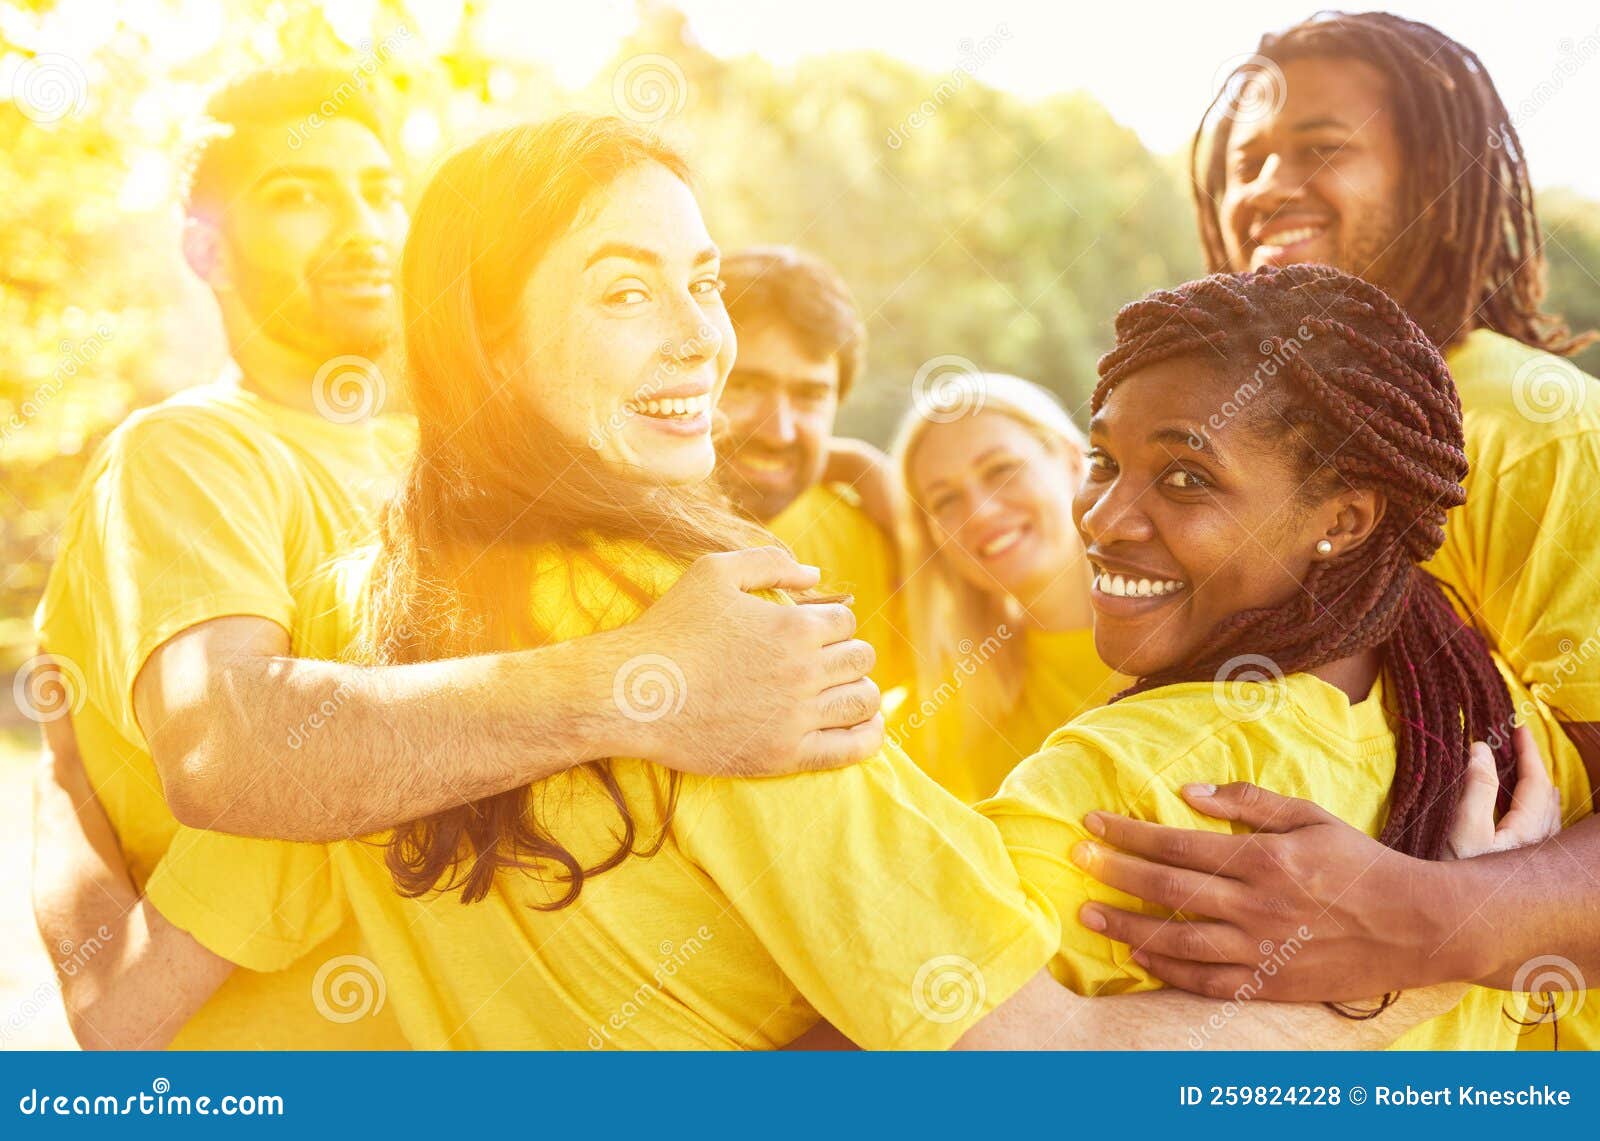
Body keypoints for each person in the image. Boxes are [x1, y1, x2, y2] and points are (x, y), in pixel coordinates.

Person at [48, 119, 1466, 1053]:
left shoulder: (361, 622)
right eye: (622, 291)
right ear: (483, 336)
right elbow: (1050, 1063)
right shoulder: (733, 643)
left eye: (702, 281)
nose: (697, 344)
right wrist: (1420, 979)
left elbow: (122, 1018)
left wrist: (67, 768)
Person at [29, 71, 882, 1051]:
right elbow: (227, 749)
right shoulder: (188, 454)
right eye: (299, 195)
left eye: (381, 189)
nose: (359, 225)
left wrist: (855, 466)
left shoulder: (454, 453)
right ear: (205, 249)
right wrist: (641, 685)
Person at [1073, 11, 1600, 1048]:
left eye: (1321, 150)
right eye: (1244, 159)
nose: (1265, 186)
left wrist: (1417, 917)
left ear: (1436, 176)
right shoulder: (1212, 447)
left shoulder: (1535, 430)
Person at [977, 264, 1585, 1048]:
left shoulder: (1124, 788)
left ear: (1345, 518)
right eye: (1103, 462)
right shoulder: (1495, 732)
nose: (1101, 518)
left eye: (1186, 477)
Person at [889, 373, 1123, 801]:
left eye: (1000, 471)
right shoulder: (941, 715)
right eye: (944, 500)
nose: (979, 512)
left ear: (1074, 462)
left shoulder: (1200, 641)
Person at [714, 247, 914, 700]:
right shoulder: (602, 535)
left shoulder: (879, 539)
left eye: (809, 395)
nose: (778, 431)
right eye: (744, 386)